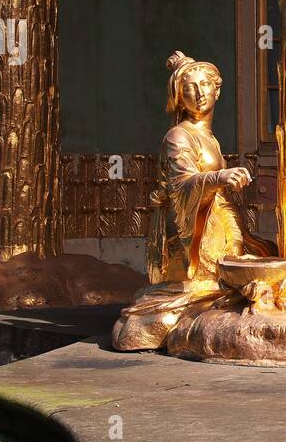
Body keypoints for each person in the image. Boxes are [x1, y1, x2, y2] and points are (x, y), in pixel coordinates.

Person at [113, 52, 271, 350]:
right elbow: (180, 186)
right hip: (189, 240)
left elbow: (218, 200)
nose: (199, 94)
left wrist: (239, 237)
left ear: (217, 90)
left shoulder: (209, 138)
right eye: (189, 88)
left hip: (213, 226)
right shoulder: (178, 136)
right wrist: (219, 178)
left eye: (204, 85)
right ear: (178, 97)